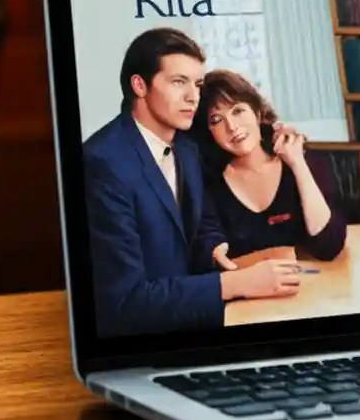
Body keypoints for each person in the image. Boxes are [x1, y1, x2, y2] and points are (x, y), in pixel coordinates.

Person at [83, 28, 301, 338]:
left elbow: (199, 219)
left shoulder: (187, 147)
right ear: (140, 85)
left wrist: (213, 247)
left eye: (197, 84)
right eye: (178, 82)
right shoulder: (102, 163)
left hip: (202, 321)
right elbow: (124, 302)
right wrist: (234, 283)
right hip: (144, 341)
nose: (193, 97)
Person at [191, 69, 345, 270]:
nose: (232, 126)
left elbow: (329, 246)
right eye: (216, 120)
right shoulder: (210, 184)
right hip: (248, 288)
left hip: (315, 284)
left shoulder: (305, 162)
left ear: (257, 112)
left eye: (238, 111)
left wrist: (298, 164)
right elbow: (217, 262)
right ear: (208, 131)